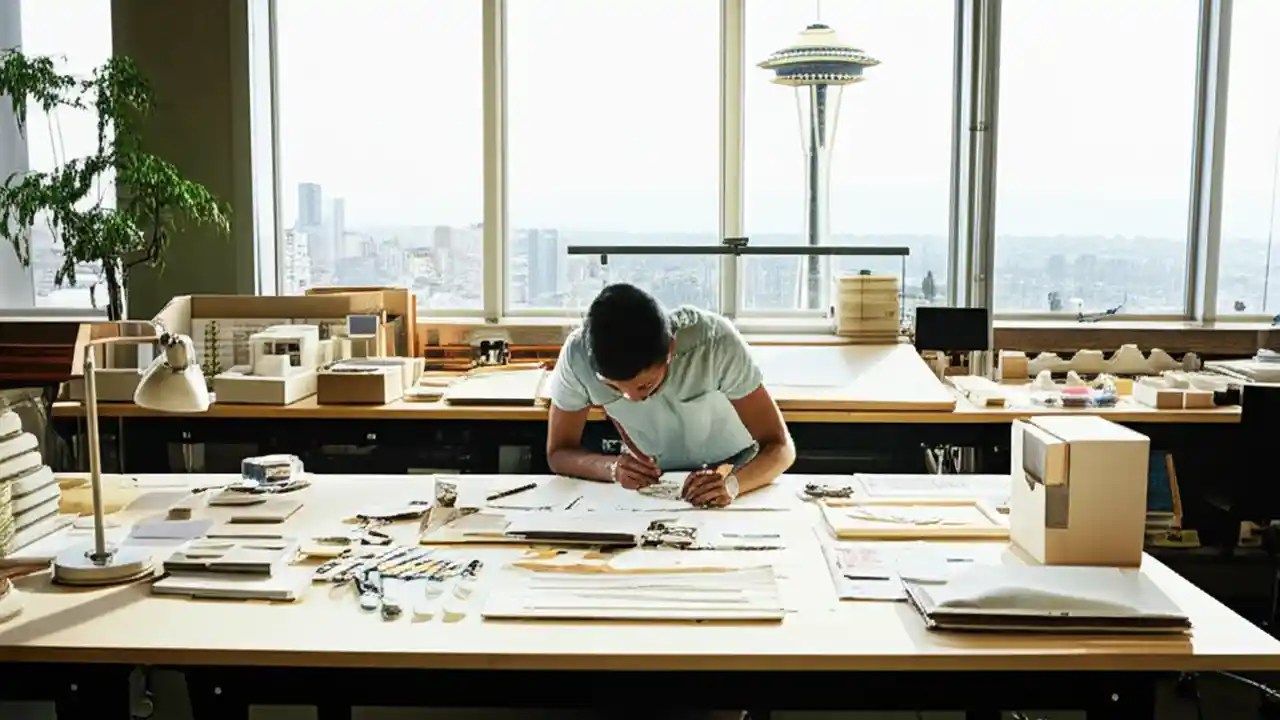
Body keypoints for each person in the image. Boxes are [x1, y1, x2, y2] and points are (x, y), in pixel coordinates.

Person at [546, 283, 795, 506]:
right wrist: (610, 467)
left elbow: (781, 447)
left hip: (739, 471)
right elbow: (558, 453)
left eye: (645, 386)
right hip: (656, 480)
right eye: (614, 389)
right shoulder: (576, 357)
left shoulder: (715, 343)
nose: (633, 399)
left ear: (670, 350)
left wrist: (733, 484)